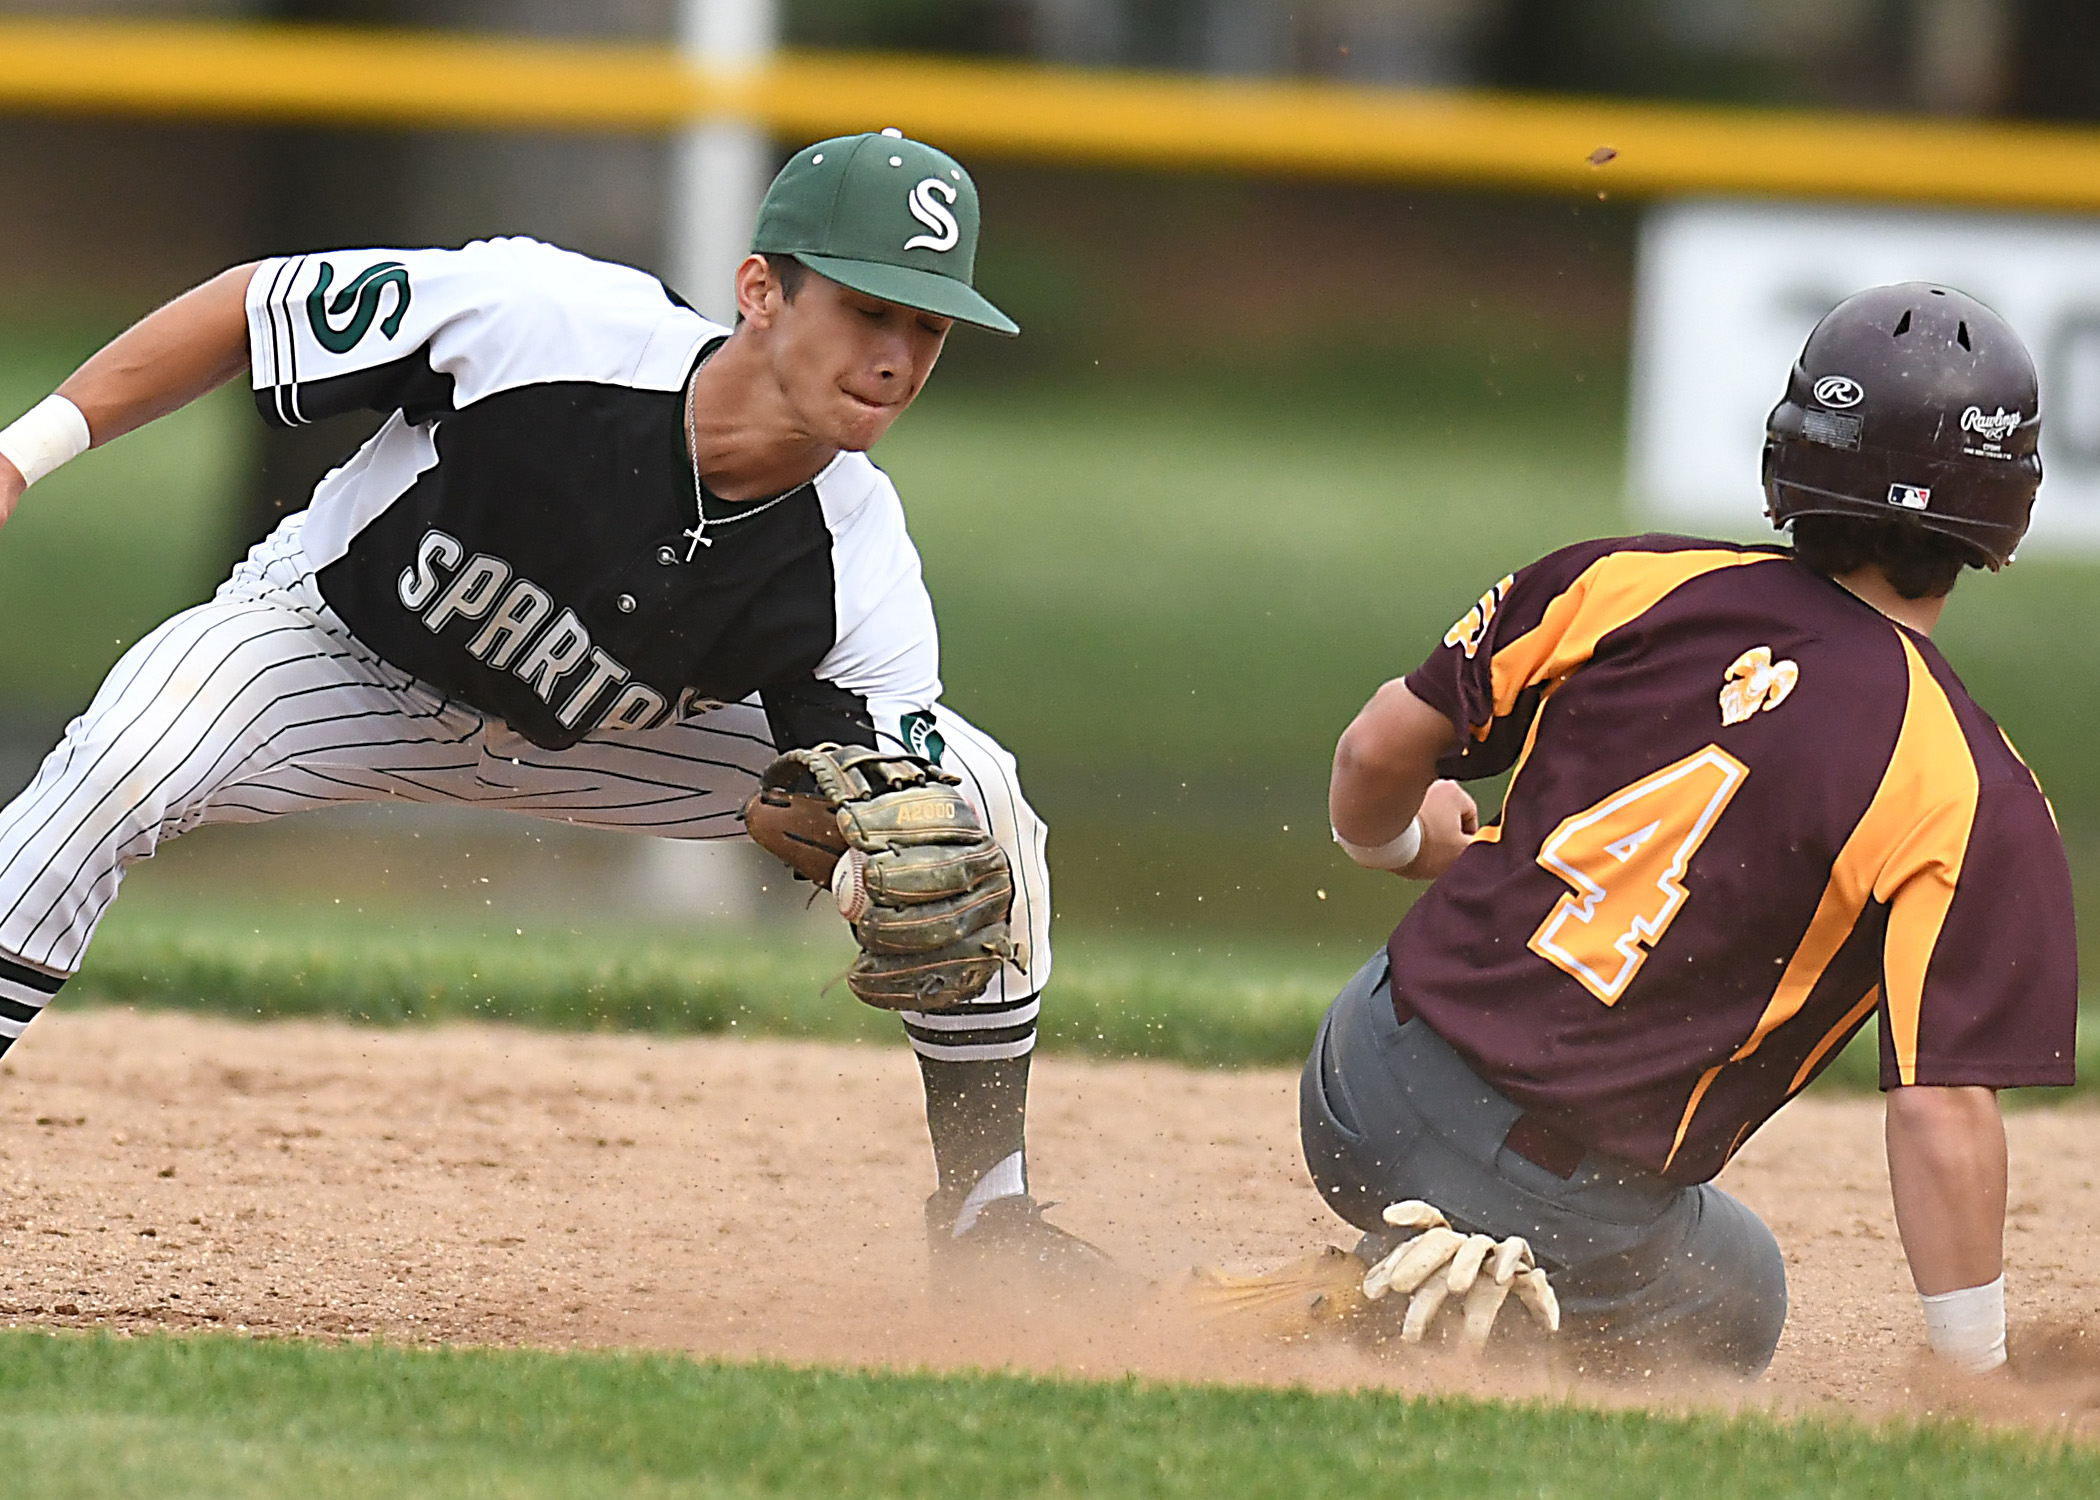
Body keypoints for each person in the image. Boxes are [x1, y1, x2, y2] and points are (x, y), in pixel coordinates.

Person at [0, 128, 1094, 1284]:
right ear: (762, 293)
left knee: (974, 803)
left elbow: (877, 803)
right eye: (870, 309)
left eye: (928, 326)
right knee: (118, 765)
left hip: (618, 744)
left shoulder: (855, 559)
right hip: (334, 653)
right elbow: (248, 305)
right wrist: (22, 457)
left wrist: (857, 859)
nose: (898, 356)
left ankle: (989, 1222)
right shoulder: (545, 322)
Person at [1299, 283, 2076, 1376]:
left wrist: (1392, 847)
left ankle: (1420, 1260)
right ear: (2007, 508)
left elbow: (1375, 754)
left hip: (1357, 1087)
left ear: (1792, 450)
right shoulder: (1970, 783)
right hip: (1570, 1209)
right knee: (1739, 1294)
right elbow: (1943, 1106)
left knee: (1446, 1096)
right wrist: (1976, 1372)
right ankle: (1466, 1296)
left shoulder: (1629, 579)